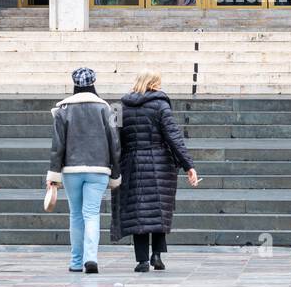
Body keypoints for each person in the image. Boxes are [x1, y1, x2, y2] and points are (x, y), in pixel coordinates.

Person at [114, 70, 199, 274]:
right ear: (154, 83)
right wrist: (188, 165)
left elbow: (113, 140)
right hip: (160, 163)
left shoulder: (118, 107)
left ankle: (142, 260)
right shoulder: (161, 105)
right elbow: (173, 137)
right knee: (158, 209)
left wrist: (112, 166)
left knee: (138, 212)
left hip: (131, 163)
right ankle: (157, 255)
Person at [46, 67, 122, 274]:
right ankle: (91, 258)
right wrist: (116, 173)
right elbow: (114, 143)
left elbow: (57, 145)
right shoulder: (106, 109)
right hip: (99, 169)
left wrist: (54, 174)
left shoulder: (63, 110)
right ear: (93, 83)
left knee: (76, 215)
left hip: (71, 169)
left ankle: (76, 261)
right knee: (91, 214)